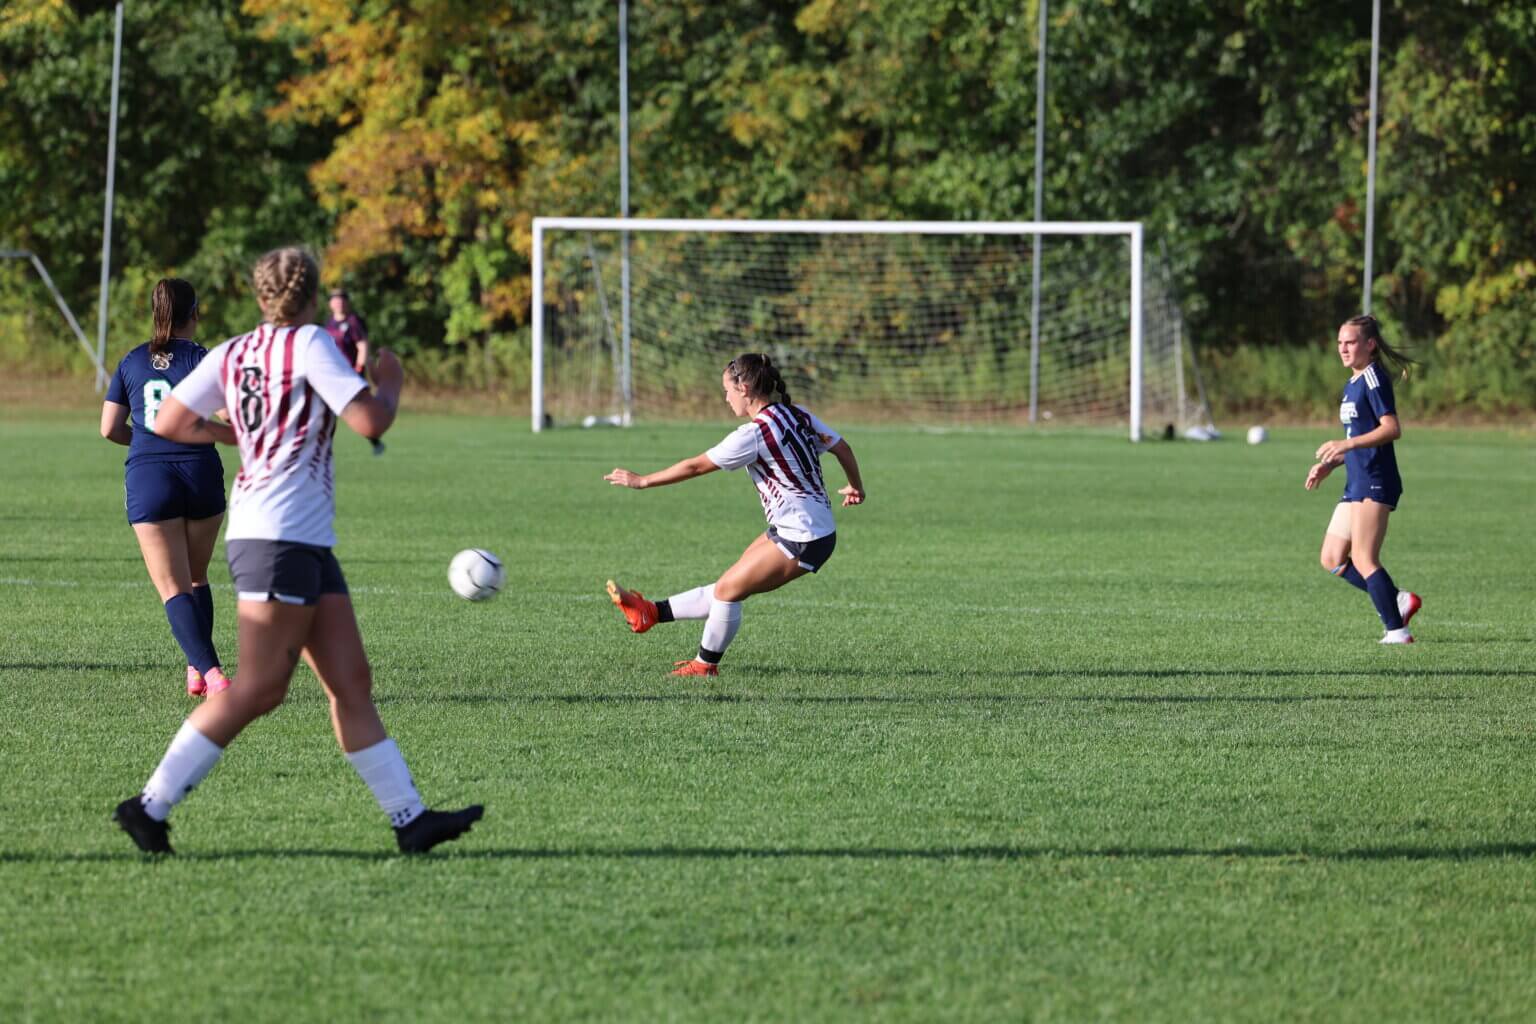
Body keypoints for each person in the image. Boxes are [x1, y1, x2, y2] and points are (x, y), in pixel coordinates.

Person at [111, 246, 482, 855]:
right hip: (278, 535)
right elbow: (371, 421)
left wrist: (237, 433)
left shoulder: (233, 351)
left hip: (298, 536)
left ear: (261, 296)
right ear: (310, 295)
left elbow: (171, 421)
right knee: (260, 688)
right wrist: (389, 382)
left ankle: (410, 820)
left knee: (351, 682)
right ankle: (149, 805)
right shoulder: (311, 343)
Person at [603, 353, 865, 676]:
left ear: (744, 388)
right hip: (803, 527)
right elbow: (842, 448)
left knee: (728, 591)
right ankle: (650, 612)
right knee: (728, 586)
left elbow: (696, 466)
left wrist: (642, 481)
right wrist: (856, 487)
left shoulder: (754, 434)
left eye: (727, 390)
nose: (726, 398)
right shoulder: (798, 414)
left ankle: (704, 666)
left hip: (804, 535)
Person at [100, 278, 233, 697]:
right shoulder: (203, 359)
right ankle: (197, 668)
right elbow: (230, 415)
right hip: (200, 471)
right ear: (195, 314)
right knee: (196, 577)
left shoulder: (131, 360)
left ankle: (212, 674)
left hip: (150, 476)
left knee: (172, 587)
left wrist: (145, 440)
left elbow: (109, 428)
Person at [1305, 314, 1422, 644]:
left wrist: (1346, 445)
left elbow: (1391, 428)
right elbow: (1357, 437)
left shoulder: (1373, 378)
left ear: (1370, 344)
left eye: (1351, 342)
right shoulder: (1352, 383)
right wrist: (1332, 463)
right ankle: (1397, 599)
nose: (1343, 348)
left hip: (1375, 479)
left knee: (1363, 557)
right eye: (1340, 342)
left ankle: (1397, 631)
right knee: (1331, 557)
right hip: (1356, 481)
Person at [324, 288, 369, 374]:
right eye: (336, 301)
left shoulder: (353, 321)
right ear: (330, 303)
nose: (339, 303)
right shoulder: (328, 323)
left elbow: (363, 347)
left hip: (351, 371)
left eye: (341, 300)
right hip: (334, 371)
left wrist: (359, 368)